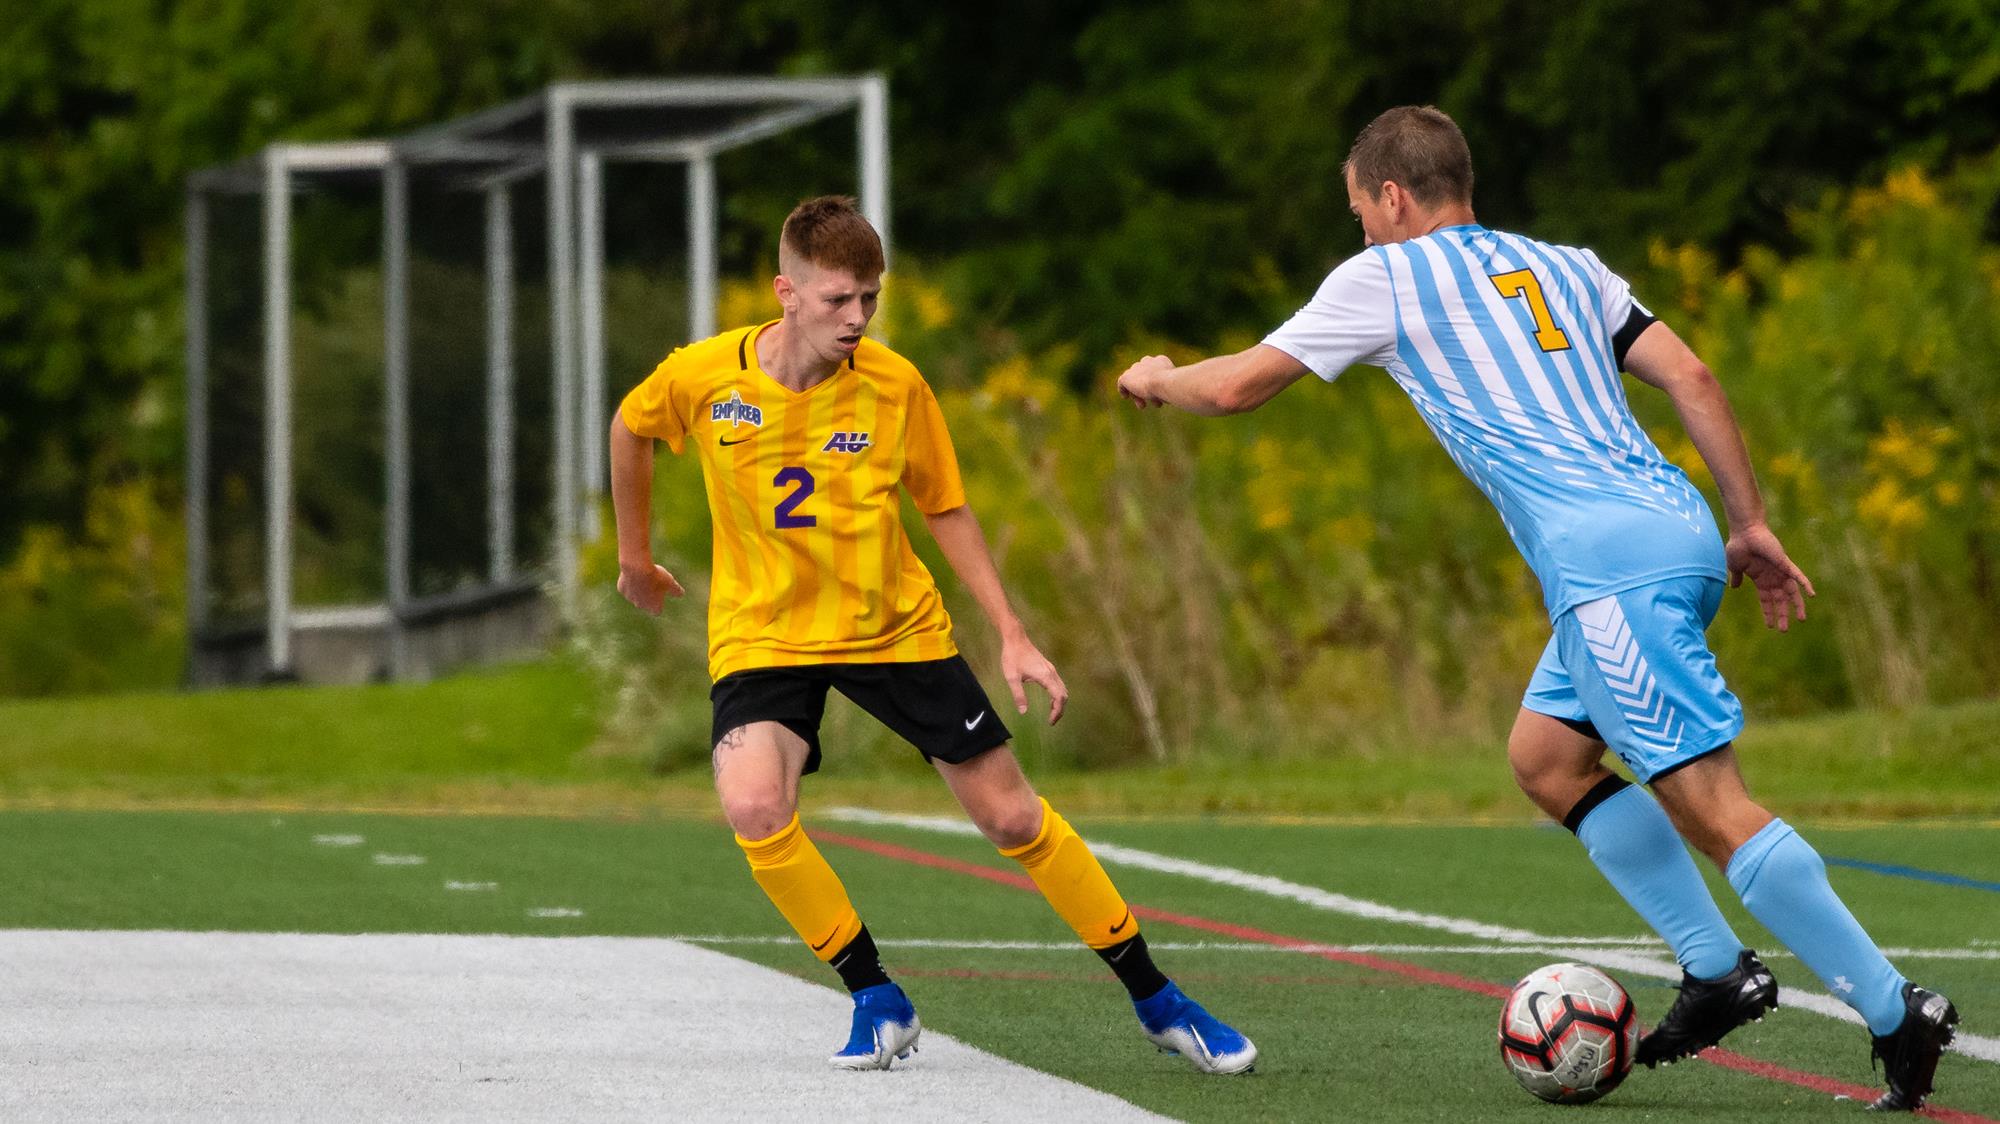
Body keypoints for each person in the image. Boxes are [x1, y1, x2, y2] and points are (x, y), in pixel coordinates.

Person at [1114, 107, 1958, 1111]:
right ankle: (1715, 969)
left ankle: (1893, 1008)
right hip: (1672, 534)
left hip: (1606, 568)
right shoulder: (1565, 265)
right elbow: (1689, 372)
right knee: (1546, 757)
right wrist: (1748, 523)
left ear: (1390, 196)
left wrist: (1160, 378)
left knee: (1711, 804)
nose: (1360, 232)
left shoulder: (1382, 275)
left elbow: (1239, 387)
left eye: (1358, 212)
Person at [610, 195, 1255, 1074]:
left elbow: (945, 506)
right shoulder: (702, 377)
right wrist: (634, 558)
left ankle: (1160, 1000)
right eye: (838, 299)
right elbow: (631, 427)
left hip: (893, 628)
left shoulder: (894, 384)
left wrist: (1012, 631)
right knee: (755, 805)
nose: (857, 318)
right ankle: (876, 998)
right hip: (763, 635)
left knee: (1012, 816)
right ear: (785, 292)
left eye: (869, 298)